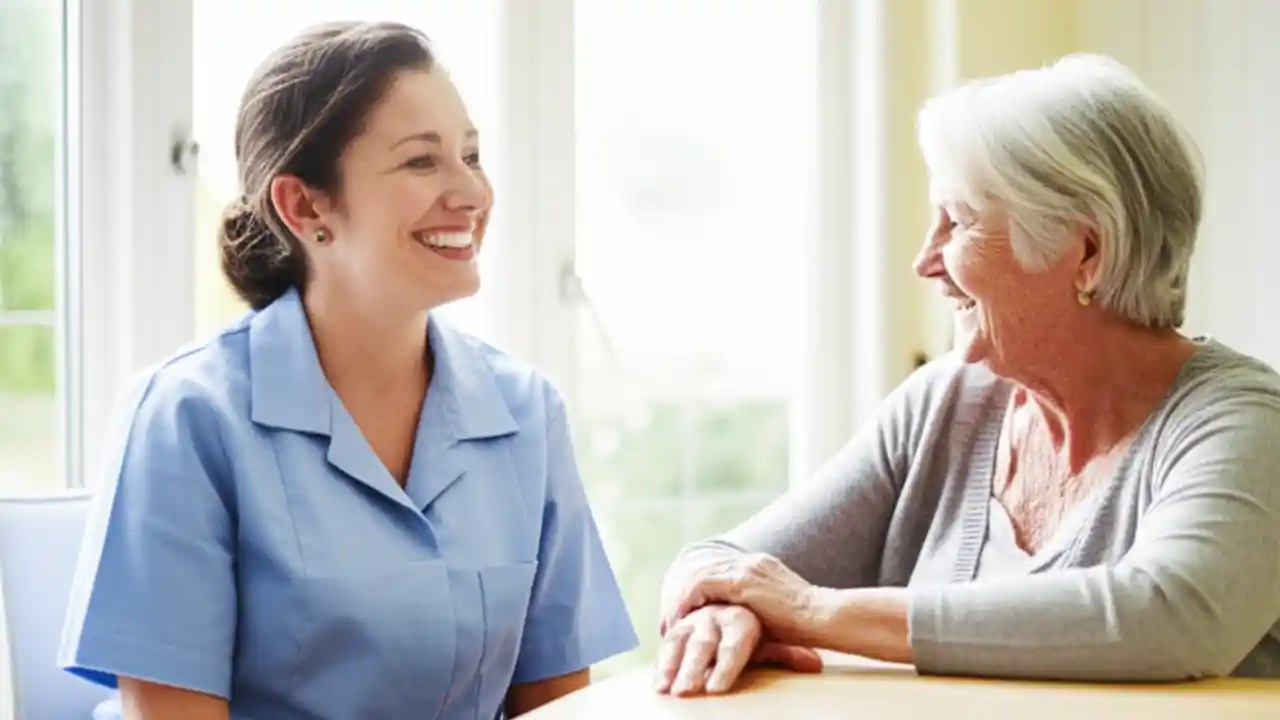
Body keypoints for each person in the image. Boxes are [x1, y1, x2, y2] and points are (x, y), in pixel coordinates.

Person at [59, 21, 637, 719]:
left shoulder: (527, 414)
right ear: (304, 206)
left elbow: (553, 706)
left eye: (472, 155)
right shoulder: (186, 417)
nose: (471, 193)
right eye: (422, 162)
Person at [654, 54, 1280, 696]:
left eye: (959, 222)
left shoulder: (1243, 425)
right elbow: (720, 563)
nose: (925, 262)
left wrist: (816, 611)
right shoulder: (947, 404)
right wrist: (723, 607)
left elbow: (1167, 616)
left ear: (1087, 253)